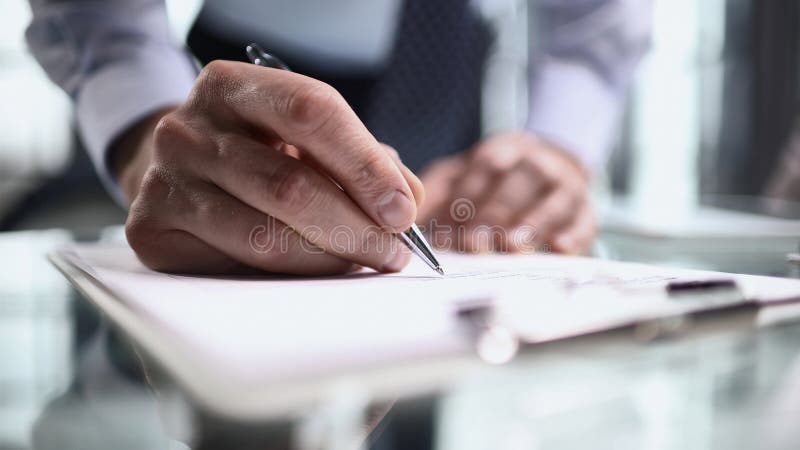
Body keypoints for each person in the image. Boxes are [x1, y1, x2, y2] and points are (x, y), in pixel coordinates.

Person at [25, 0, 651, 275]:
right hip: (238, 91)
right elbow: (100, 16)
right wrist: (148, 135)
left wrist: (558, 147)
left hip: (454, 81)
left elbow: (587, 30)